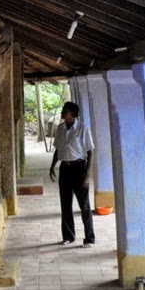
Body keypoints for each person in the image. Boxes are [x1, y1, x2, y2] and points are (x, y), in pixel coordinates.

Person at [49, 101, 95, 249]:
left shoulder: (83, 129)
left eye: (66, 110)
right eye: (63, 110)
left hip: (79, 168)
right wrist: (52, 166)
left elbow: (90, 152)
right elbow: (58, 149)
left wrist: (87, 175)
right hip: (65, 169)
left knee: (84, 205)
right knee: (65, 204)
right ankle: (68, 236)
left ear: (73, 114)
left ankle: (89, 238)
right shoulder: (61, 128)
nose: (63, 112)